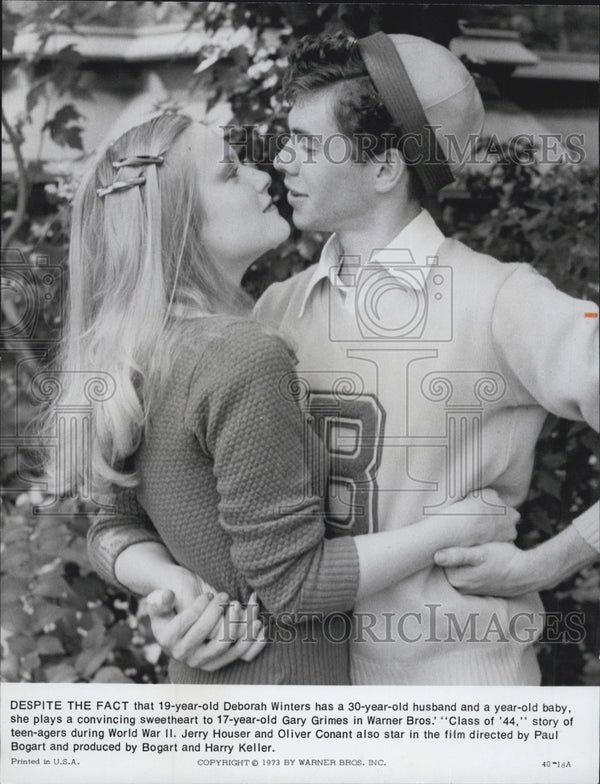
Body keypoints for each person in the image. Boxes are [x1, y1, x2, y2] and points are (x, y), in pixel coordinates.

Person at [88, 32, 599, 685]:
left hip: (458, 705)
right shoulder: (272, 312)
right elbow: (141, 505)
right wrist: (170, 599)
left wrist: (550, 562)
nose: (282, 161)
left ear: (385, 167)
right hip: (318, 707)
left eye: (305, 141)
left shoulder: (501, 301)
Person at [51, 112, 515, 686]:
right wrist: (454, 528)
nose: (261, 175)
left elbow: (113, 521)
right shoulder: (241, 354)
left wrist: (172, 586)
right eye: (229, 171)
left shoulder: (144, 348)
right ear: (178, 224)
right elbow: (297, 587)